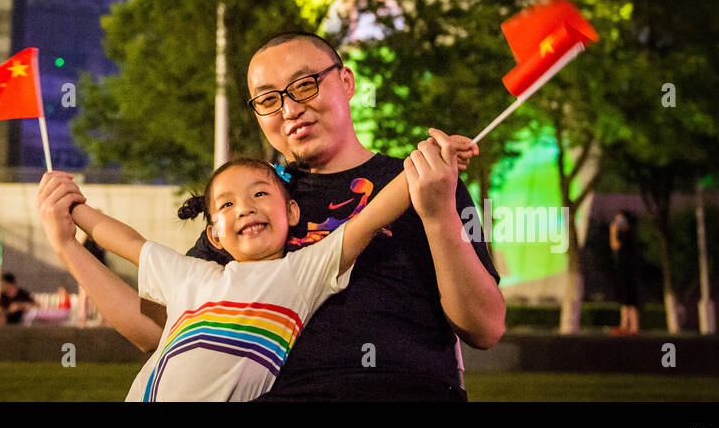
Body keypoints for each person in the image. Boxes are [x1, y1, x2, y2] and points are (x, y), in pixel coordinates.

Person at [37, 30, 505, 401]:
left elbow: (484, 328)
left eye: (305, 84)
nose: (291, 108)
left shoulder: (426, 180)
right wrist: (68, 249)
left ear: (346, 82)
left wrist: (439, 214)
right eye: (268, 99)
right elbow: (157, 331)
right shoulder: (254, 205)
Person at [54, 148, 432, 401]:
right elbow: (129, 241)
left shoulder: (301, 273)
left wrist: (424, 164)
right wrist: (70, 206)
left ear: (293, 212)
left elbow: (368, 221)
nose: (246, 209)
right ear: (214, 234)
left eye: (260, 195)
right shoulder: (191, 274)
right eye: (228, 204)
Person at [609, 210, 641, 335]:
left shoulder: (626, 234)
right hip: (625, 270)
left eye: (620, 220)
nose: (617, 222)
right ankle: (625, 325)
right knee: (625, 299)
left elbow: (615, 246)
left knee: (629, 299)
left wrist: (612, 232)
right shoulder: (629, 234)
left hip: (628, 271)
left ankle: (633, 327)